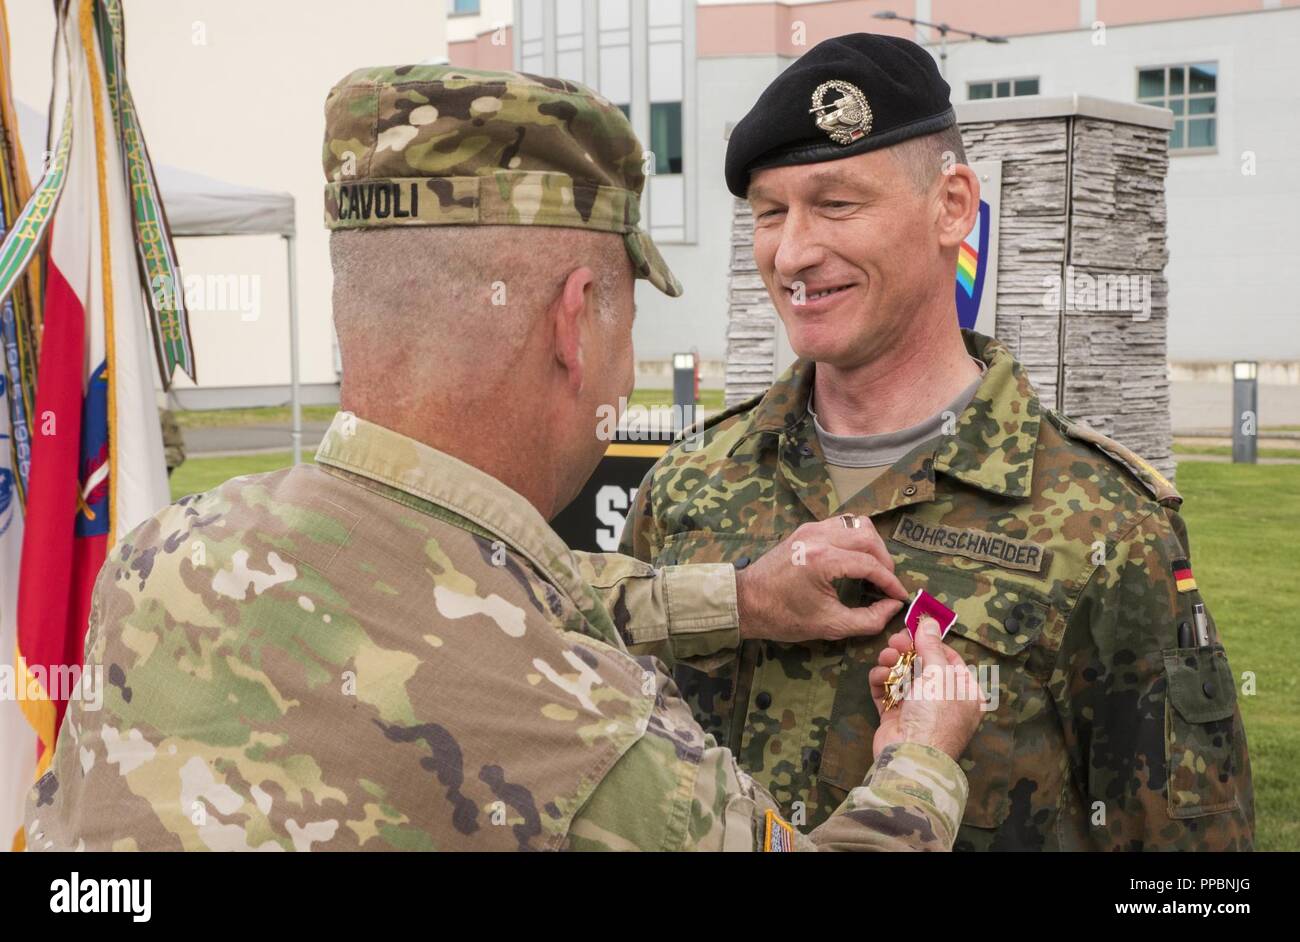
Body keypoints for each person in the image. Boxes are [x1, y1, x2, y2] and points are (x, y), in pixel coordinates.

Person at [22, 64, 981, 852]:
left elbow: (454, 589)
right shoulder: (590, 740)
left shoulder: (159, 560)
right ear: (575, 321)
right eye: (627, 320)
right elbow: (483, 620)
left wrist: (737, 600)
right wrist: (923, 756)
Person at [620, 33, 1254, 851]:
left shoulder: (1106, 527)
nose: (794, 252)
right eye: (770, 213)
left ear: (951, 206)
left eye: (837, 204)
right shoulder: (688, 485)